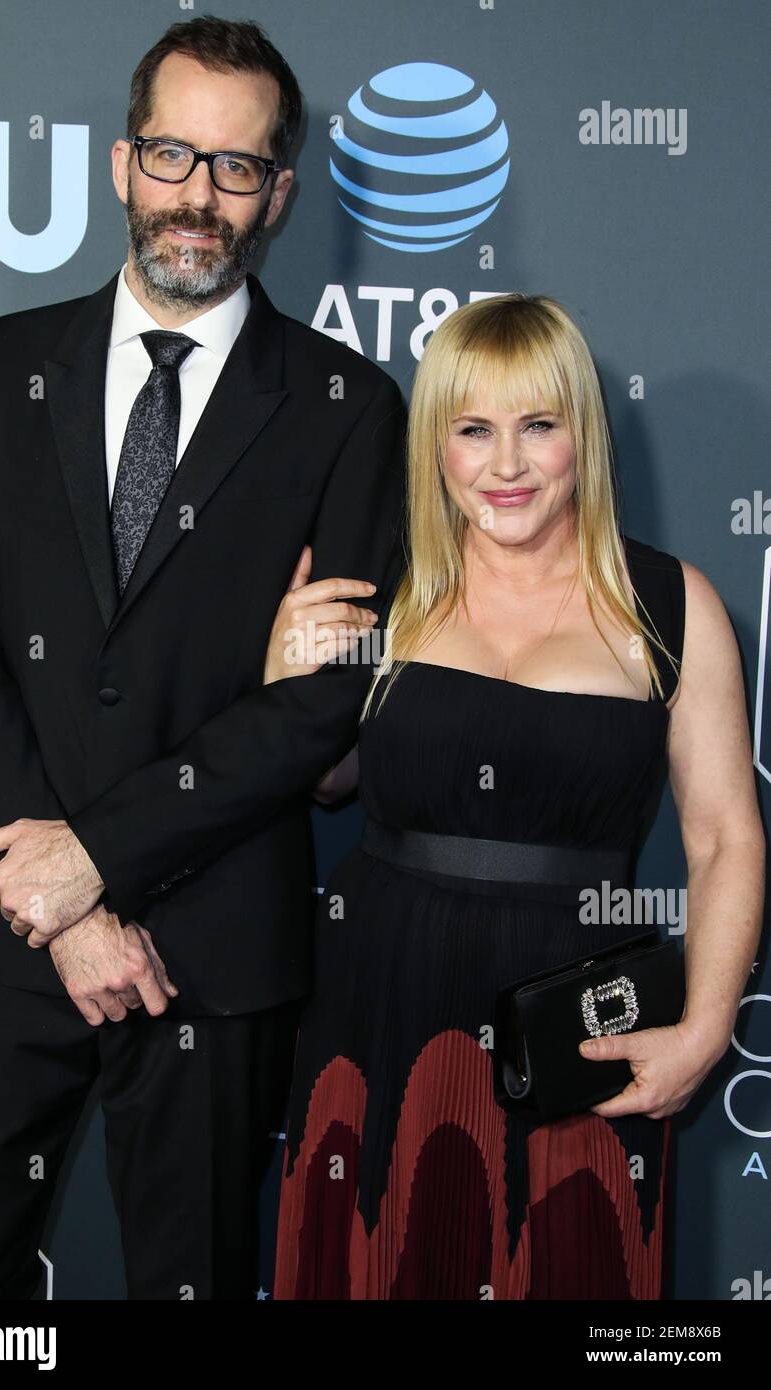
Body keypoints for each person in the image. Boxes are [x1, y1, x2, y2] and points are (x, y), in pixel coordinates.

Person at [0, 16, 406, 1299]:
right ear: (122, 165)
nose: (199, 197)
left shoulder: (347, 410)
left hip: (217, 943)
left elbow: (320, 708)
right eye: (173, 156)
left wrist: (98, 860)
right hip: (14, 923)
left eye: (236, 168)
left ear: (279, 194)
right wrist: (57, 887)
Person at [267, 293, 765, 1300]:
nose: (506, 466)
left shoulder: (668, 604)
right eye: (472, 430)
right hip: (377, 996)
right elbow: (327, 782)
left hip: (574, 1022)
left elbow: (720, 837)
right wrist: (287, 683)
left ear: (580, 428)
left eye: (537, 425)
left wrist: (705, 1027)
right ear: (434, 445)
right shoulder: (392, 595)